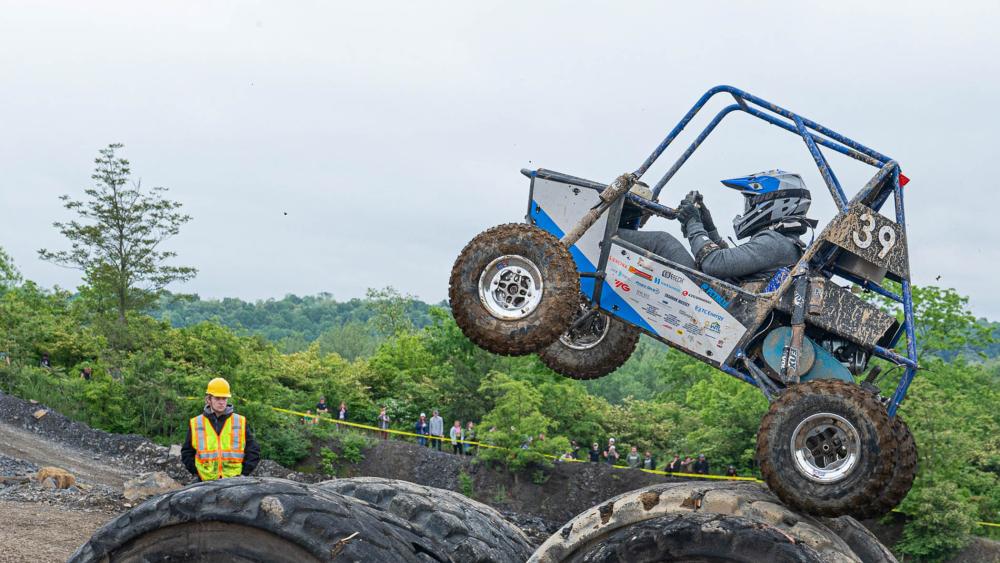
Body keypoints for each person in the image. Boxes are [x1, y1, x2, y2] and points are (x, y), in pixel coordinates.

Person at [618, 171, 815, 288]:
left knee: (662, 241)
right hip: (725, 299)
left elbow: (714, 264)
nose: (747, 209)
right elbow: (731, 263)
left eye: (750, 202)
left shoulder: (775, 243)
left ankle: (603, 238)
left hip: (719, 304)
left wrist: (693, 223)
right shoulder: (785, 243)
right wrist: (709, 228)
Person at [181, 378, 260, 481]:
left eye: (224, 398)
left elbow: (253, 449)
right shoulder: (196, 423)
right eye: (217, 398)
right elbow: (187, 452)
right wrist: (197, 473)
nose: (221, 402)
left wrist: (244, 473)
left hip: (234, 480)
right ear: (208, 399)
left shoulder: (239, 421)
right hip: (205, 481)